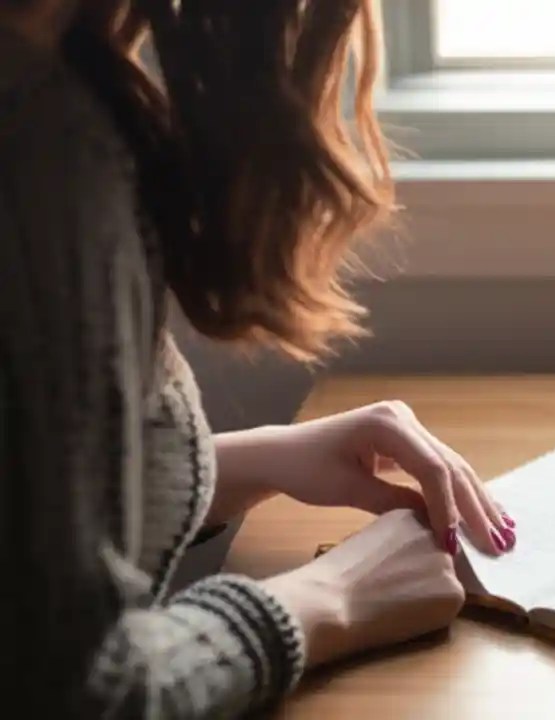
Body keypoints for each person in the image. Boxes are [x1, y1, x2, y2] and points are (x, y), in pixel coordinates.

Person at [0, 0, 518, 716]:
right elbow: (77, 693)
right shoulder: (42, 151)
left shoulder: (50, 77)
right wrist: (330, 598)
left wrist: (250, 462)